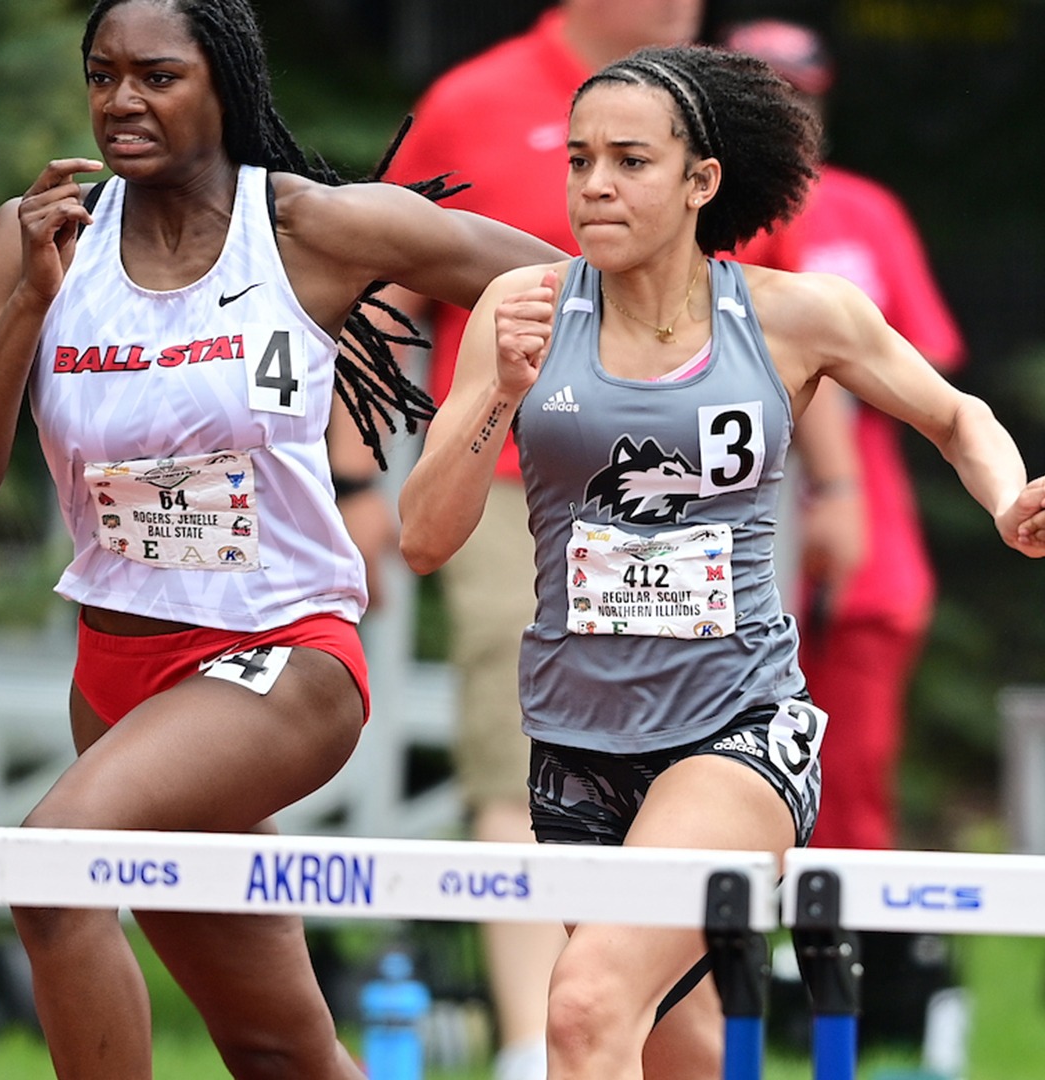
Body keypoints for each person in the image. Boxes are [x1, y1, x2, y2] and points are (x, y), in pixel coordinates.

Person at [398, 43, 1045, 1079]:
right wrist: (500, 389)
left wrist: (1010, 498)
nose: (593, 184)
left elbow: (956, 414)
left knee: (581, 1012)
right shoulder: (523, 308)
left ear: (700, 182)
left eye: (629, 160)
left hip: (737, 732)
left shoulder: (792, 316)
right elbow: (424, 537)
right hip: (578, 750)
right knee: (676, 1048)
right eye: (579, 159)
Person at [0, 1, 560, 1077]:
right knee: (278, 1049)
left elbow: (561, 287)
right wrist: (29, 303)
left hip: (281, 656)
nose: (122, 100)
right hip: (117, 674)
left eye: (156, 76)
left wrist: (510, 397)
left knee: (53, 866)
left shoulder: (308, 226)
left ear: (226, 86)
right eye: (102, 74)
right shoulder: (40, 238)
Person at [377, 7, 708, 1077]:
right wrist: (348, 471)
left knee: (688, 757)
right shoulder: (475, 98)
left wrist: (834, 480)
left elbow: (789, 303)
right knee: (520, 751)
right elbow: (377, 285)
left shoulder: (718, 100)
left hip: (687, 487)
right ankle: (532, 1044)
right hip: (517, 482)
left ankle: (650, 1036)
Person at [723, 18, 966, 852]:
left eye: (800, 97)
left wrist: (839, 488)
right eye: (764, 96)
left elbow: (925, 369)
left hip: (855, 536)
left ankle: (861, 972)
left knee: (852, 772)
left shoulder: (866, 212)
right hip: (717, 541)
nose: (786, 115)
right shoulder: (680, 216)